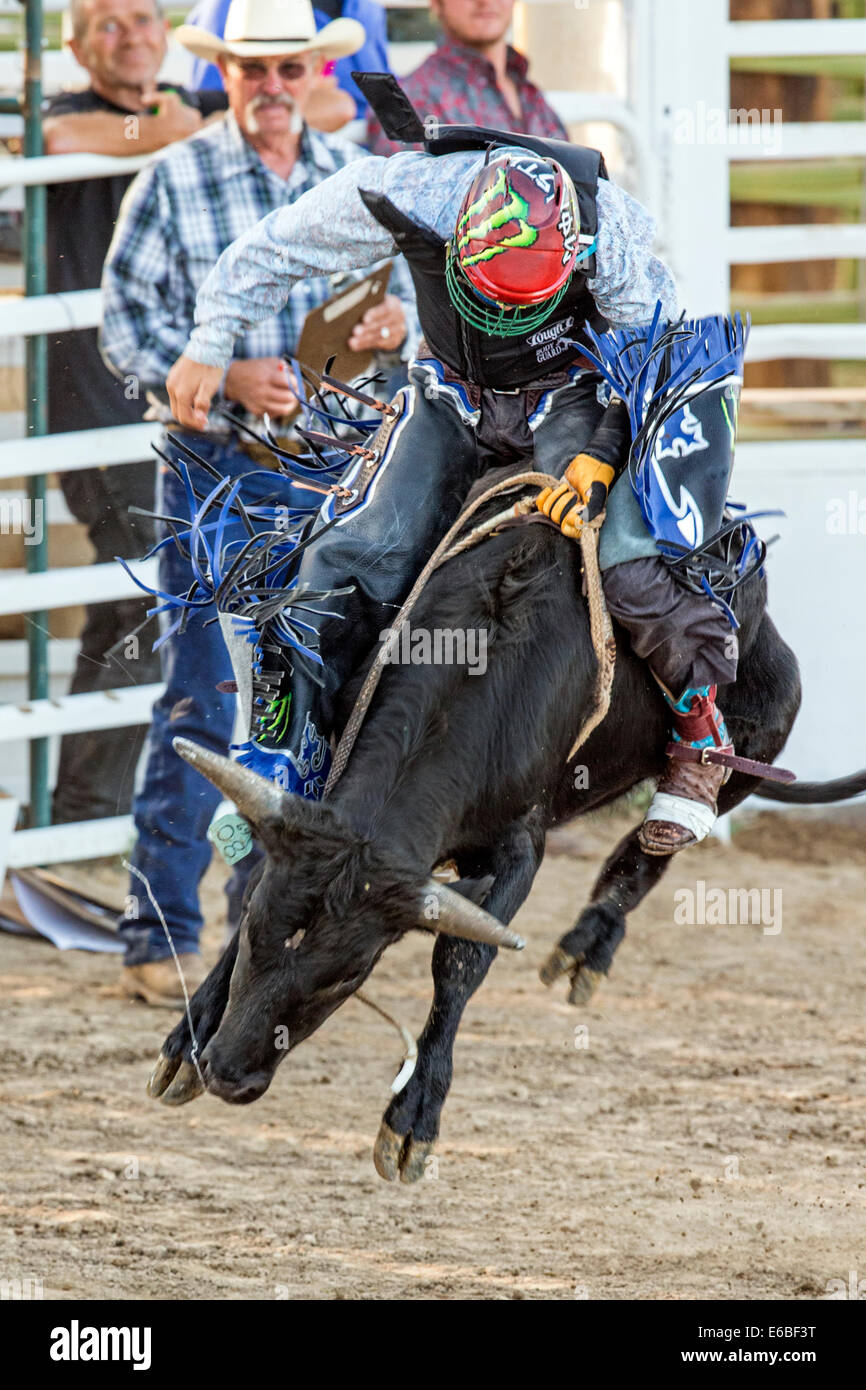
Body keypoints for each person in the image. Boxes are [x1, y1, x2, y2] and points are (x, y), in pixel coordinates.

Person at [166, 78, 748, 865]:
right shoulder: (407, 190)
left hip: (572, 393)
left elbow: (658, 363)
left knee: (629, 561)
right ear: (463, 237)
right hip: (446, 389)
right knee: (345, 550)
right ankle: (287, 747)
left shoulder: (614, 235)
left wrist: (602, 454)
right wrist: (210, 341)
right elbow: (273, 247)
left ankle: (699, 730)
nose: (502, 313)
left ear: (572, 256)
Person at [100, 0, 417, 1006]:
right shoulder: (175, 177)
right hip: (215, 469)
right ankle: (157, 929)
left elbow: (393, 323)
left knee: (293, 703)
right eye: (253, 70)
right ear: (225, 76)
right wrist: (223, 375)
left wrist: (389, 327)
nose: (273, 89)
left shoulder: (346, 183)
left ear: (313, 76)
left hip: (325, 476)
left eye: (288, 71)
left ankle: (252, 929)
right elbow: (123, 327)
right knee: (204, 687)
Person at [44, 0, 226, 824]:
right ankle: (82, 813)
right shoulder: (68, 114)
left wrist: (191, 122)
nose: (129, 34)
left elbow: (334, 108)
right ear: (78, 50)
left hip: (176, 396)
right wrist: (181, 130)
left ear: (169, 37)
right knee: (139, 582)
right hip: (94, 396)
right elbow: (59, 143)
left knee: (164, 585)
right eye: (106, 23)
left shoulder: (199, 109)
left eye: (143, 18)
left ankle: (99, 812)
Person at [367, 0, 567, 157]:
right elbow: (404, 203)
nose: (486, 1)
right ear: (437, 3)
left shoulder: (530, 94)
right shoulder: (406, 102)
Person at [177, 0, 391, 126]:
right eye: (253, 67)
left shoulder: (366, 8)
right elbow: (223, 101)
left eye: (291, 68)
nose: (272, 84)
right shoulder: (227, 9)